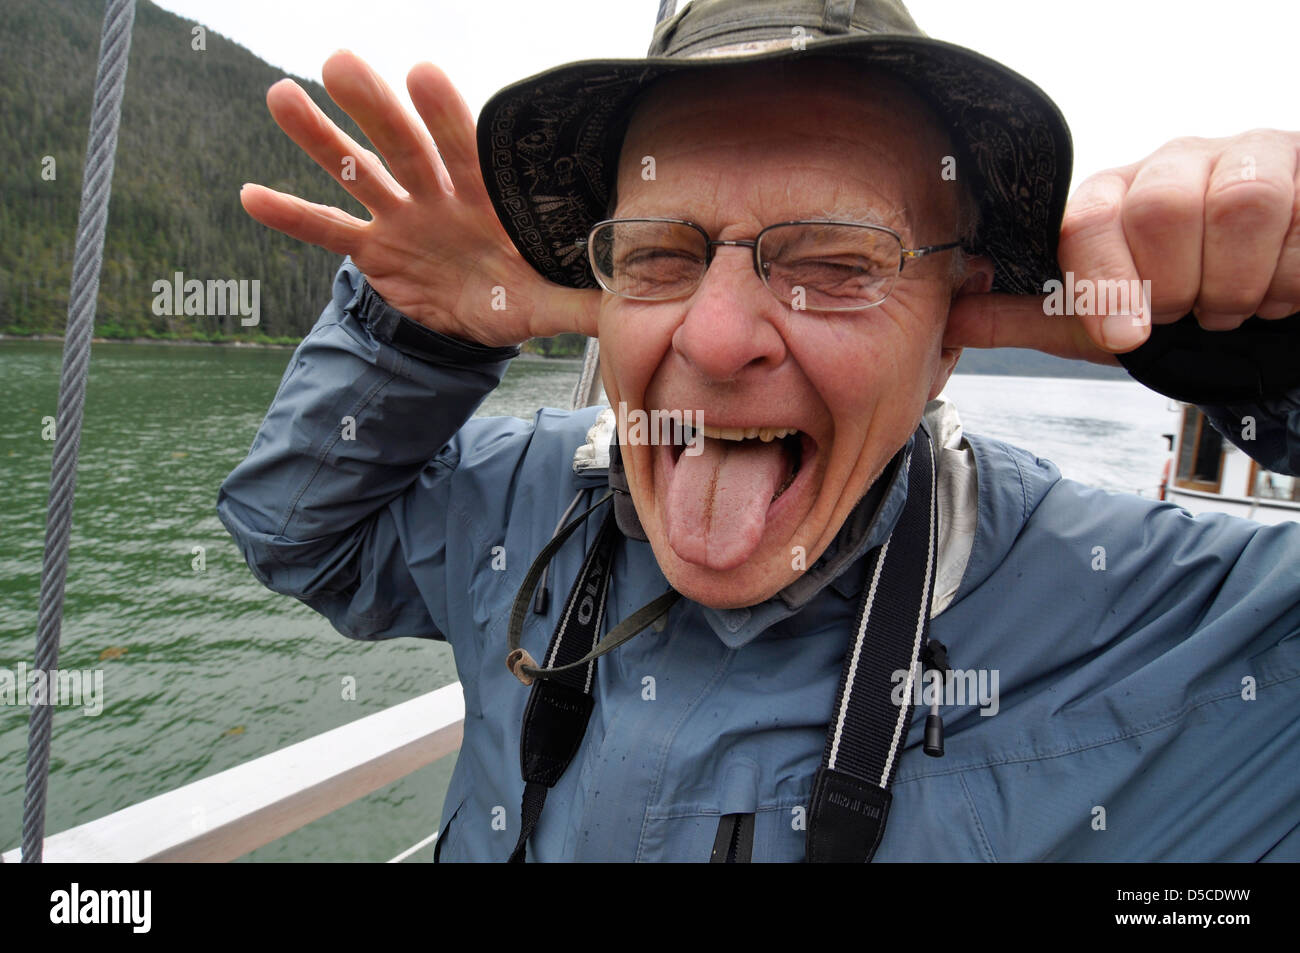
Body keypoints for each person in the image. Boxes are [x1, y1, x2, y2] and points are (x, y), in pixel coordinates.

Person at [218, 0, 1300, 861]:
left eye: (835, 262)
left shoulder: (1152, 624)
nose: (719, 335)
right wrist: (416, 339)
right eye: (658, 253)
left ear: (950, 336)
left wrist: (1280, 375)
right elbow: (301, 535)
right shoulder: (534, 496)